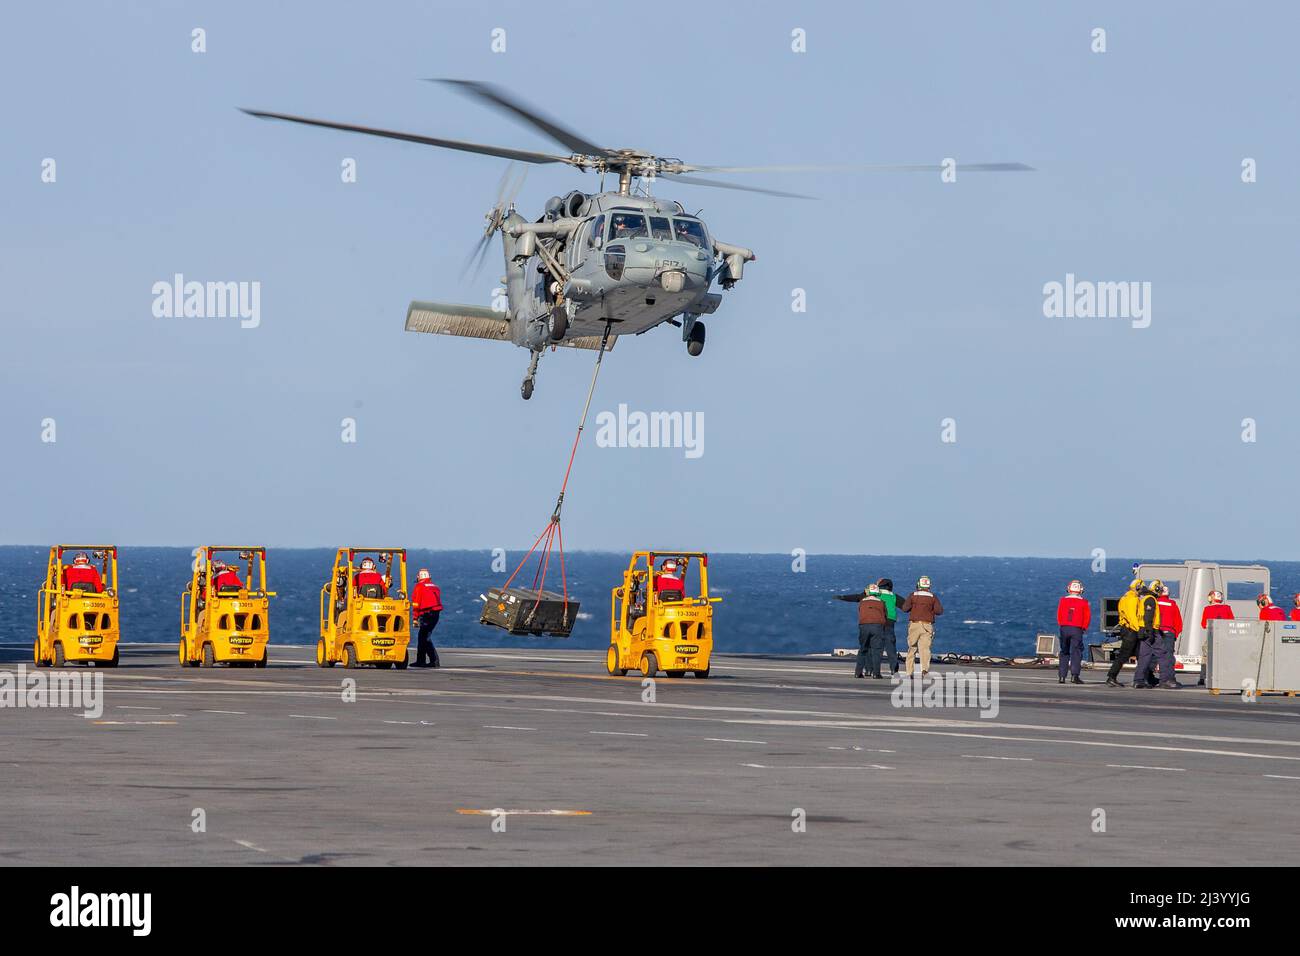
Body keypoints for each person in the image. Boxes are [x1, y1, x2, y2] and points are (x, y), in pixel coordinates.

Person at [836, 583, 888, 679]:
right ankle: (876, 673)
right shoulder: (881, 602)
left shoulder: (862, 602)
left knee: (863, 649)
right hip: (877, 627)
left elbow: (861, 612)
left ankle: (858, 672)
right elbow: (885, 616)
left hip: (864, 626)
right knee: (877, 650)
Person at [1106, 578, 1146, 687]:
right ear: (1138, 587)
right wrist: (1139, 630)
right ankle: (1112, 676)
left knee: (1138, 654)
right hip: (1131, 630)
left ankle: (1144, 677)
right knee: (1125, 655)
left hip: (1126, 629)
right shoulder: (1133, 599)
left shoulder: (1124, 597)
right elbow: (1132, 616)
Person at [901, 576, 944, 676]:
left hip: (914, 625)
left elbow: (905, 609)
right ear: (929, 586)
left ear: (918, 585)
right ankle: (924, 669)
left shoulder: (913, 595)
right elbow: (939, 611)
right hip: (927, 625)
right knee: (925, 649)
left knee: (912, 649)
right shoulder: (933, 597)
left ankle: (909, 672)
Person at [1130, 580, 1164, 690]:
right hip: (1151, 630)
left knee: (1144, 656)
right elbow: (1148, 616)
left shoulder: (1143, 598)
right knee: (1164, 654)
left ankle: (1139, 680)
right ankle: (1167, 679)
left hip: (1143, 630)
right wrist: (1150, 632)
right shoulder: (1151, 599)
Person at [1055, 579, 1090, 684]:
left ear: (1068, 589)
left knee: (1064, 652)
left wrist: (1062, 625)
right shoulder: (1083, 602)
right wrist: (1083, 628)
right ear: (1081, 590)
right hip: (1077, 628)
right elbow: (1087, 617)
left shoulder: (1063, 600)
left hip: (1064, 627)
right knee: (1076, 652)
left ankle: (1062, 676)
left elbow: (1059, 615)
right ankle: (1074, 676)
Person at [1199, 590, 1234, 686]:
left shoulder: (1207, 609)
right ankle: (1226, 676)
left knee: (1206, 656)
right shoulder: (1227, 608)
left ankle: (1203, 677)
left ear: (1211, 598)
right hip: (1224, 637)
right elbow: (1231, 621)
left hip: (1212, 636)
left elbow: (1203, 624)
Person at [411, 568, 442, 668]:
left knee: (424, 637)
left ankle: (433, 660)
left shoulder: (419, 586)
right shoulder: (435, 587)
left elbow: (416, 603)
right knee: (424, 636)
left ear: (419, 577)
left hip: (427, 614)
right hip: (435, 614)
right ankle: (422, 660)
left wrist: (415, 618)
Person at [876, 578, 903, 676]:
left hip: (877, 621)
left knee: (875, 646)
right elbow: (905, 607)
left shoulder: (875, 594)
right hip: (890, 622)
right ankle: (894, 669)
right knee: (890, 647)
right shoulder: (893, 596)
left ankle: (871, 670)